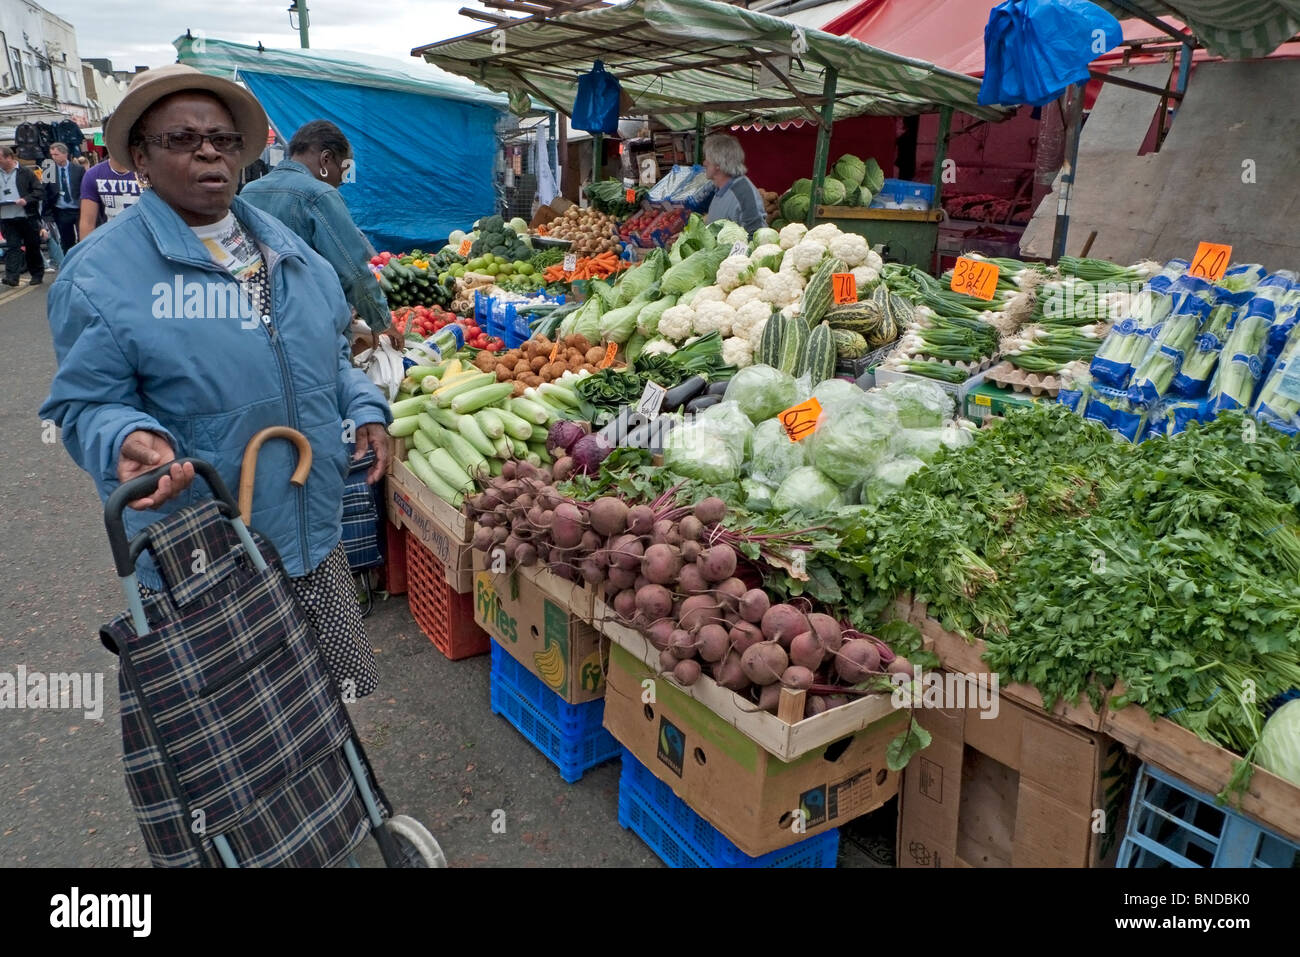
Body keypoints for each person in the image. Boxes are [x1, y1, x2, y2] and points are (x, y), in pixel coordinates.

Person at [39, 64, 389, 699]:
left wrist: (363, 403)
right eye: (181, 138)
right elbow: (86, 404)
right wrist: (125, 436)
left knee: (335, 714)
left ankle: (345, 799)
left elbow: (330, 351)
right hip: (204, 556)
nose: (208, 150)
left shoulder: (285, 247)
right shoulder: (100, 276)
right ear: (140, 160)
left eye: (223, 139)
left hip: (309, 536)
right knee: (239, 739)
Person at [240, 120, 392, 336]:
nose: (341, 182)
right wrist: (382, 321)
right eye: (342, 172)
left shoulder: (248, 192)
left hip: (258, 323)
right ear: (326, 159)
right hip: (311, 330)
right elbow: (353, 272)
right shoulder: (320, 195)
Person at [79, 115, 144, 238]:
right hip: (111, 242)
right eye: (114, 136)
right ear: (104, 139)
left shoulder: (147, 171)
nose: (120, 142)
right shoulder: (93, 175)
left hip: (145, 241)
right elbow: (87, 222)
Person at [702, 133, 767, 234]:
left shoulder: (743, 193)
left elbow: (755, 234)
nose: (704, 163)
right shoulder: (719, 189)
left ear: (718, 163)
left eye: (707, 160)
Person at [0, 147, 46, 286]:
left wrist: (26, 199)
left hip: (26, 215)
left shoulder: (26, 172)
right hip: (6, 217)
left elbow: (39, 191)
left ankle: (37, 274)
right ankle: (12, 277)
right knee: (13, 247)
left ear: (9, 157)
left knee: (32, 246)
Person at [44, 143, 85, 253]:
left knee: (83, 236)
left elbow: (84, 188)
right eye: (52, 154)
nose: (53, 157)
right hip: (61, 210)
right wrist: (47, 213)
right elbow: (45, 192)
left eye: (56, 154)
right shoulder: (49, 170)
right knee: (67, 240)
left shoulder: (78, 169)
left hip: (78, 209)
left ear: (65, 154)